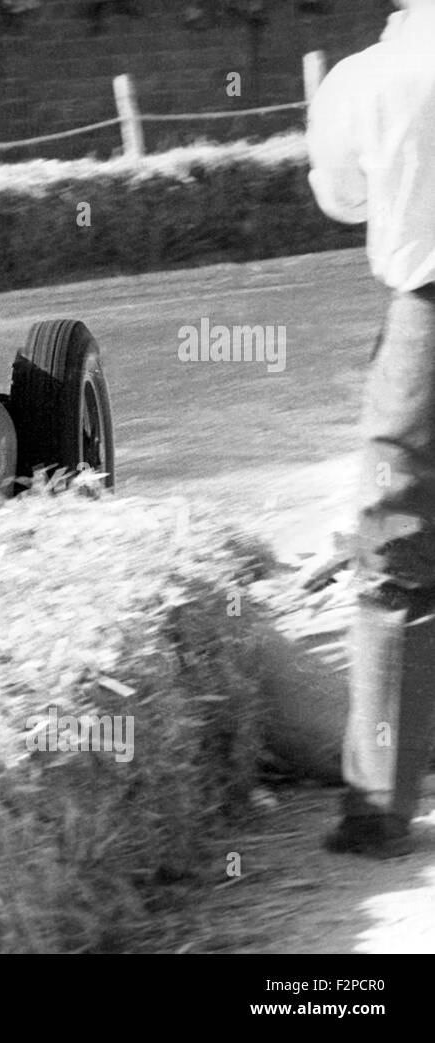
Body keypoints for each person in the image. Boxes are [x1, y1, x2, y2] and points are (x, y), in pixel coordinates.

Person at [307, 0, 435, 859]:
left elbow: (342, 200)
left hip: (427, 316)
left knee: (394, 554)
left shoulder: (365, 77)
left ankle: (380, 809)